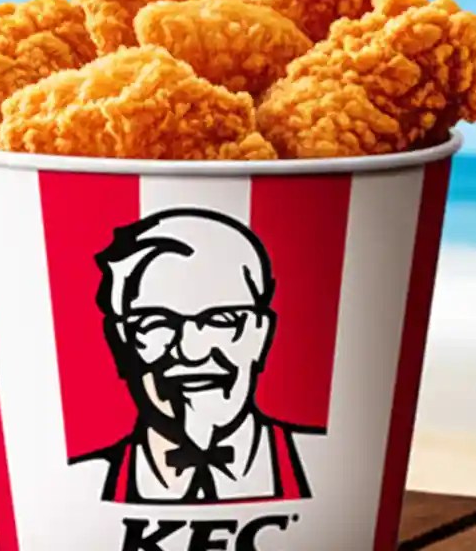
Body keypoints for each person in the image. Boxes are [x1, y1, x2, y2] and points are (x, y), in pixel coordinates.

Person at [72, 208, 312, 504]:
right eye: (155, 322)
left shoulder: (329, 466)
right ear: (120, 343)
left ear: (260, 335)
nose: (192, 351)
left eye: (222, 319)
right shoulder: (77, 485)